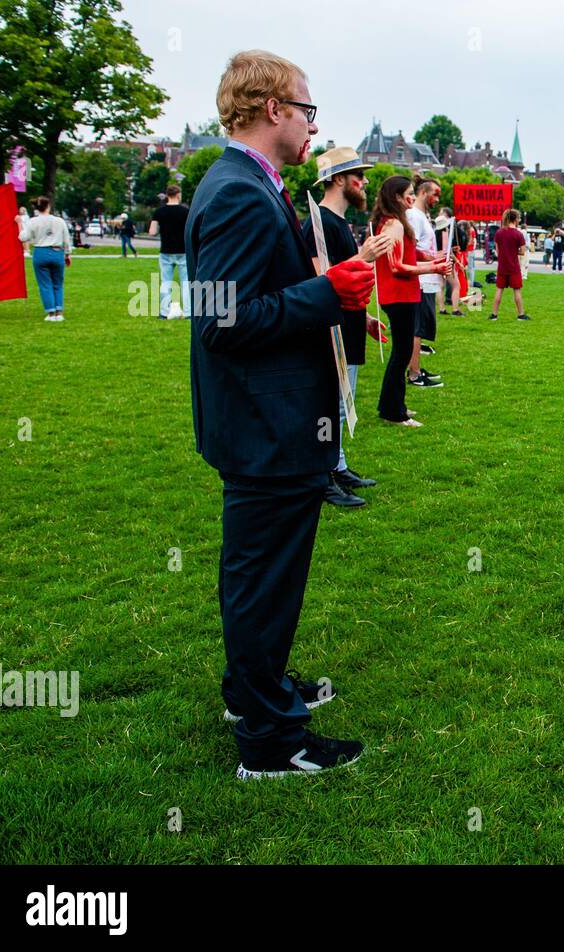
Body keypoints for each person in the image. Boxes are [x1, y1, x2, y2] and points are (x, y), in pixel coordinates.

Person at [187, 49, 377, 779]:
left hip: (265, 423)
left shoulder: (246, 182)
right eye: (306, 110)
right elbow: (224, 319)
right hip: (265, 427)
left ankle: (254, 691)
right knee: (264, 579)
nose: (311, 124)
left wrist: (331, 283)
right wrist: (329, 296)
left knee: (260, 575)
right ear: (272, 109)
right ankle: (270, 740)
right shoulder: (237, 189)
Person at [301, 145, 394, 508]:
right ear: (338, 180)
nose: (365, 182)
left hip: (349, 325)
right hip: (329, 331)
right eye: (359, 176)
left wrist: (366, 318)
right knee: (328, 407)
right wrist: (364, 256)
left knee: (341, 406)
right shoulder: (318, 222)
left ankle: (336, 465)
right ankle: (320, 476)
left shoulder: (338, 223)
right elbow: (318, 280)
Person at [373, 176, 451, 425]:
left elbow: (406, 255)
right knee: (402, 353)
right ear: (397, 197)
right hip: (398, 295)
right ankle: (394, 411)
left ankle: (394, 405)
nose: (412, 197)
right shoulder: (394, 223)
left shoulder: (395, 221)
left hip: (400, 294)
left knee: (402, 352)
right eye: (408, 193)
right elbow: (396, 266)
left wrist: (431, 260)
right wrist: (432, 267)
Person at [405, 175, 446, 381]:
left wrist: (437, 258)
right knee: (416, 329)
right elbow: (410, 250)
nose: (437, 199)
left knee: (421, 329)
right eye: (435, 194)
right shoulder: (414, 216)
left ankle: (416, 368)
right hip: (419, 279)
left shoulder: (422, 217)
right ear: (423, 192)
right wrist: (432, 262)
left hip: (427, 278)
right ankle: (413, 373)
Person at [19, 196, 71, 321]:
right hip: (57, 251)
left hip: (40, 252)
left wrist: (19, 223)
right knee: (58, 284)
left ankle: (51, 313)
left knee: (45, 284)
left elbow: (23, 237)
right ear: (48, 206)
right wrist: (67, 254)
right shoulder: (59, 221)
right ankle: (59, 312)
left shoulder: (33, 221)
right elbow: (66, 239)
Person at [149, 184, 192, 319]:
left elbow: (152, 232)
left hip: (166, 251)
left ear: (167, 195)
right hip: (183, 251)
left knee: (166, 282)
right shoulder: (186, 212)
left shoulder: (159, 212)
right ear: (178, 194)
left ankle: (164, 312)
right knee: (185, 282)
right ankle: (188, 312)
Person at [489, 208, 531, 321]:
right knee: (516, 291)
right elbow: (522, 251)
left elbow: (498, 251)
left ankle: (494, 314)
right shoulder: (518, 234)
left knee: (499, 290)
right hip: (514, 267)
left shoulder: (499, 233)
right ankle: (521, 314)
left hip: (502, 267)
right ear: (515, 219)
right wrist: (513, 251)